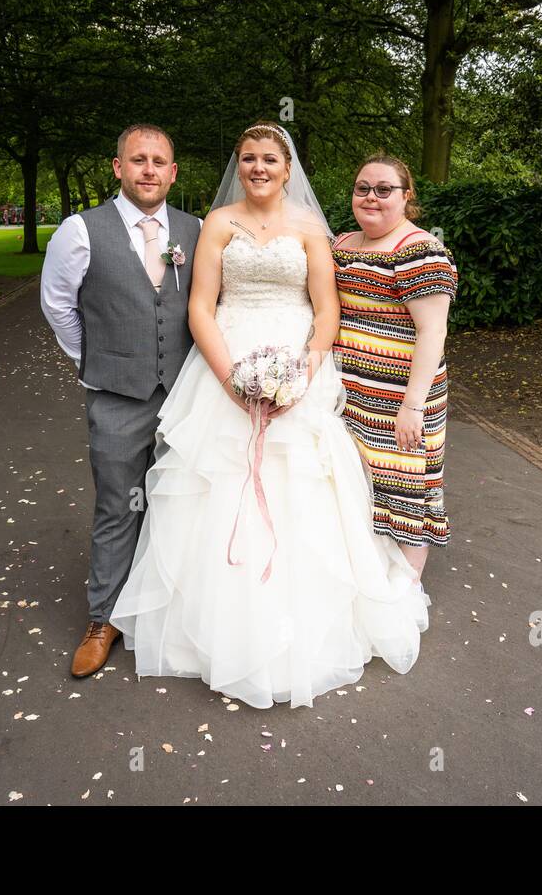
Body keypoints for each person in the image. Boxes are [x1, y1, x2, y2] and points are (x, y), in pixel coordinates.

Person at [106, 122, 429, 709]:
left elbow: (326, 308)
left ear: (287, 168)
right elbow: (202, 305)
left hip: (296, 361)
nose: (259, 167)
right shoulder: (218, 225)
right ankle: (211, 628)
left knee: (302, 486)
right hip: (226, 361)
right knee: (215, 485)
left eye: (270, 160)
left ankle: (302, 626)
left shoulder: (311, 228)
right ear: (240, 165)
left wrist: (304, 371)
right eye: (249, 158)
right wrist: (231, 377)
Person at [41, 124, 203, 679]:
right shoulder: (80, 230)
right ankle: (103, 618)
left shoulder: (195, 229)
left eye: (160, 161)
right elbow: (59, 306)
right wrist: (98, 362)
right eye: (138, 160)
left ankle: (171, 613)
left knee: (182, 502)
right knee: (118, 504)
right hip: (116, 395)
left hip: (186, 395)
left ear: (173, 172)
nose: (149, 170)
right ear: (118, 167)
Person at [331, 155, 458, 581]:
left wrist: (413, 407)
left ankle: (402, 600)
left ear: (406, 197)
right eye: (363, 188)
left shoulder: (421, 251)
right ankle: (365, 590)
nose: (371, 197)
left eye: (384, 189)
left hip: (401, 400)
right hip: (351, 396)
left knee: (404, 491)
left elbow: (432, 332)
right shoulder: (342, 243)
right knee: (360, 488)